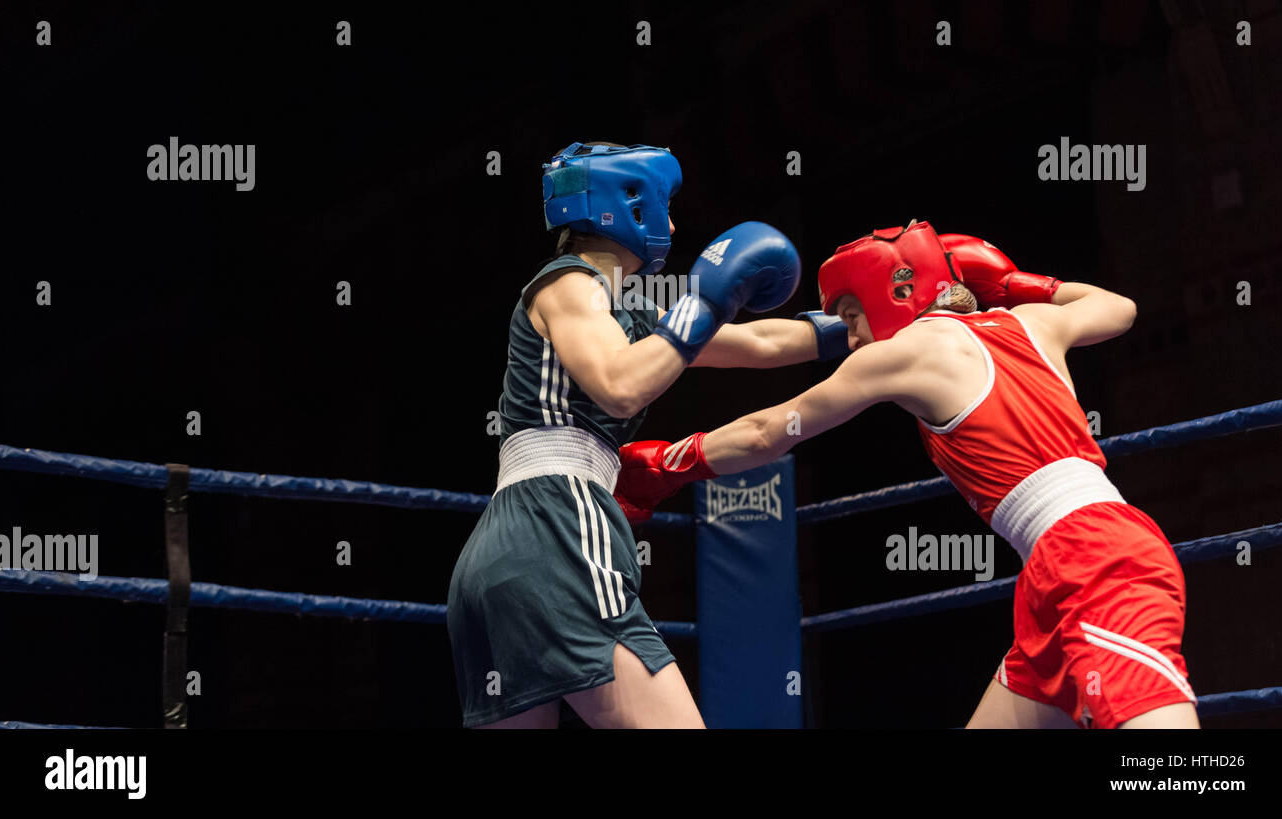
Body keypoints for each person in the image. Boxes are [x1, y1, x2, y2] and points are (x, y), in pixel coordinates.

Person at [614, 220, 1199, 729]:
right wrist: (1015, 283)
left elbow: (771, 430)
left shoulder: (903, 352)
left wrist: (671, 465)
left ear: (893, 291)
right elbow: (1118, 307)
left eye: (850, 313)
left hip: (1093, 558)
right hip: (1063, 567)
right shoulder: (1031, 324)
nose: (851, 335)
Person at [446, 142, 851, 728]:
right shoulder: (571, 284)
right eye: (665, 206)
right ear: (628, 205)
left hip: (500, 555)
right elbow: (618, 385)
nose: (672, 223)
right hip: (560, 529)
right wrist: (704, 301)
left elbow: (761, 345)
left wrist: (864, 329)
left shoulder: (623, 316)